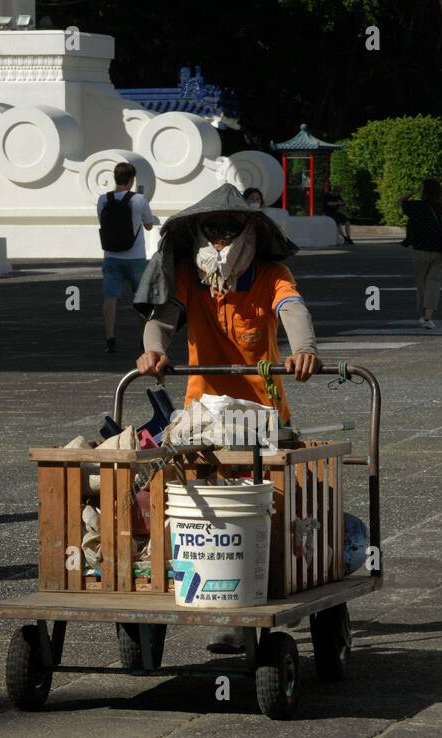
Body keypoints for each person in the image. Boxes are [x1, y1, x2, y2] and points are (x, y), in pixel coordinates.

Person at [134, 184, 321, 652]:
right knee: (206, 509)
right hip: (204, 417)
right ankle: (204, 592)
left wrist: (304, 350)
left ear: (250, 234)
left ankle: (244, 611)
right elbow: (163, 318)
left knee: (259, 509)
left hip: (261, 417)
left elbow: (293, 309)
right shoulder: (187, 280)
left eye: (230, 231)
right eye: (211, 231)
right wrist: (154, 349)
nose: (219, 242)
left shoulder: (272, 274)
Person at [97, 162, 157, 354]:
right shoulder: (139, 200)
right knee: (141, 298)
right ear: (132, 180)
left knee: (110, 298)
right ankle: (144, 339)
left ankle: (110, 338)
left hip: (111, 256)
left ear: (115, 178)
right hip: (136, 257)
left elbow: (102, 222)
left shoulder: (103, 200)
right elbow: (148, 225)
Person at [400, 179, 442, 331]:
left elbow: (400, 201)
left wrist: (414, 191)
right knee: (434, 283)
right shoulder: (441, 206)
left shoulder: (415, 207)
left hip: (420, 250)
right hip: (439, 250)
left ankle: (423, 314)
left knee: (421, 283)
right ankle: (428, 317)